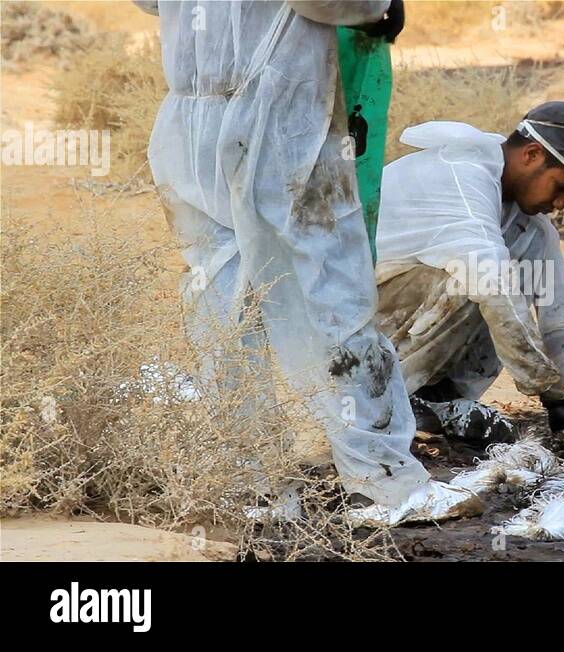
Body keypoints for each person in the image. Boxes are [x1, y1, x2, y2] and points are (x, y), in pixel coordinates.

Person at [136, 0, 481, 525]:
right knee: (334, 294)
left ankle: (250, 484)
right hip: (278, 116)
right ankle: (385, 483)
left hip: (186, 123)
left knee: (221, 299)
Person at [373, 100, 564, 452]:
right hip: (353, 328)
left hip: (407, 327)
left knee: (519, 281)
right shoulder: (461, 175)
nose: (561, 204)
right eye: (561, 187)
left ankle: (434, 400)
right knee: (485, 286)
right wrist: (550, 394)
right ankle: (385, 400)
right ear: (532, 154)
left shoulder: (532, 228)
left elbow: (556, 319)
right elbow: (493, 286)